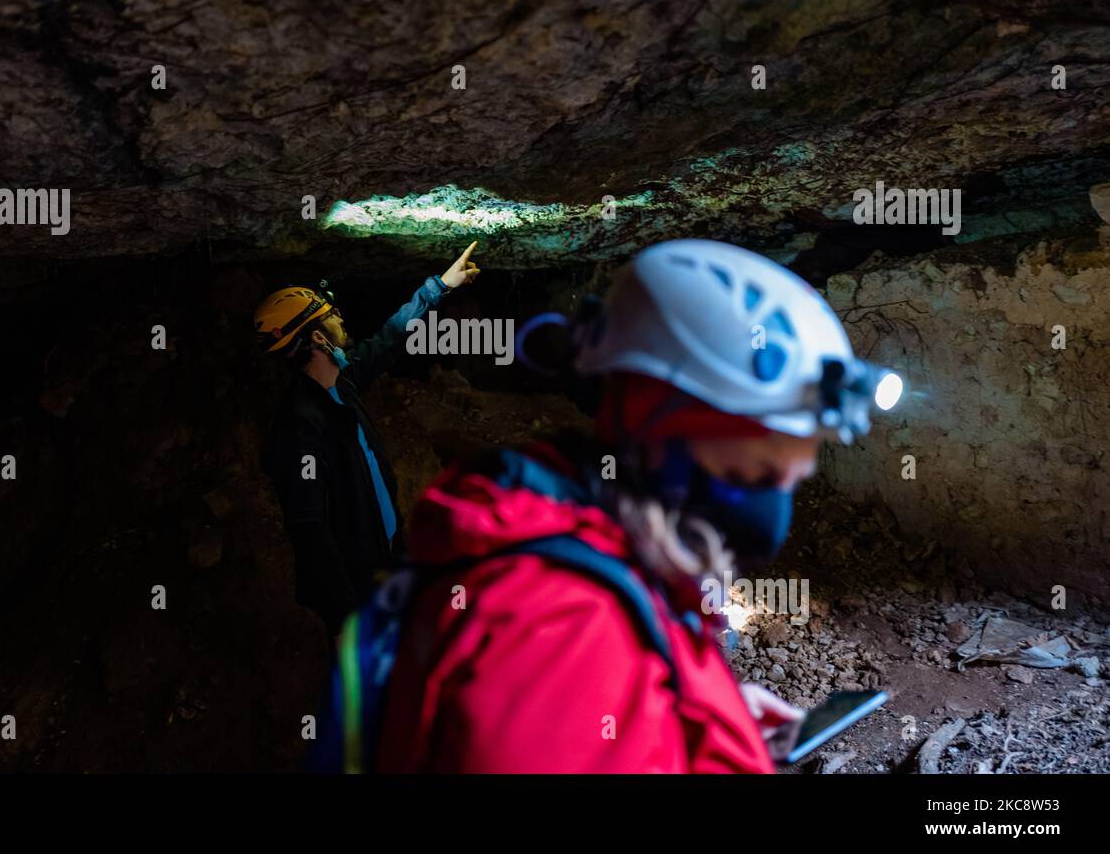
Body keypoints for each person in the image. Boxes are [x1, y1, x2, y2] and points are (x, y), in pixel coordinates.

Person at [373, 239, 901, 772]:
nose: (797, 474)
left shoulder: (608, 546)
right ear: (675, 427)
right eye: (771, 456)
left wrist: (707, 721)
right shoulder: (557, 621)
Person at [254, 243, 481, 641]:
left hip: (389, 553)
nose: (340, 318)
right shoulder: (300, 427)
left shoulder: (343, 384)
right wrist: (347, 617)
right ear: (319, 341)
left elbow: (391, 337)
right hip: (363, 585)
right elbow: (310, 531)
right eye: (330, 317)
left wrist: (440, 286)